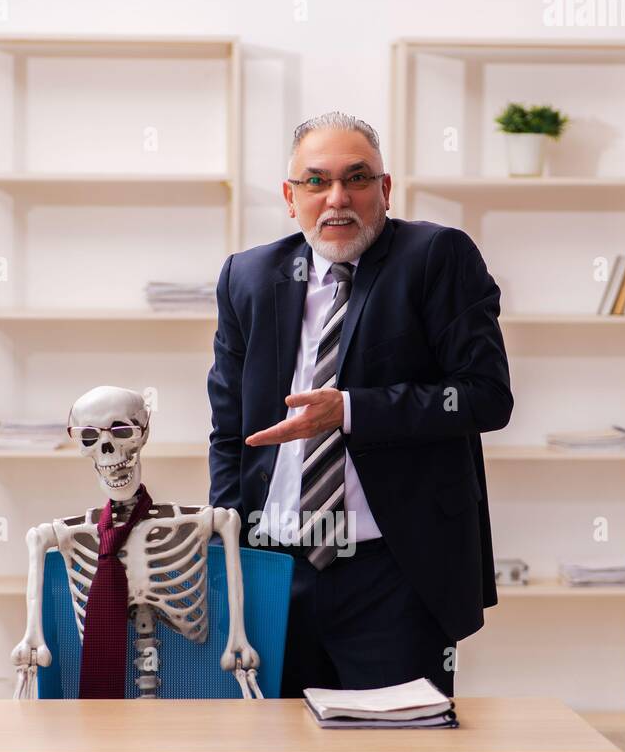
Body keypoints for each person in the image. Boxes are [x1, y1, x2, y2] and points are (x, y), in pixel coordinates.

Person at [207, 111, 513, 698]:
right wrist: (228, 555)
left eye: (358, 179)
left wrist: (348, 410)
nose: (337, 199)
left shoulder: (435, 257)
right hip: (272, 568)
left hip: (393, 573)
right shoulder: (247, 277)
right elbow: (228, 431)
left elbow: (485, 396)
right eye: (316, 181)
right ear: (289, 196)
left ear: (386, 189)